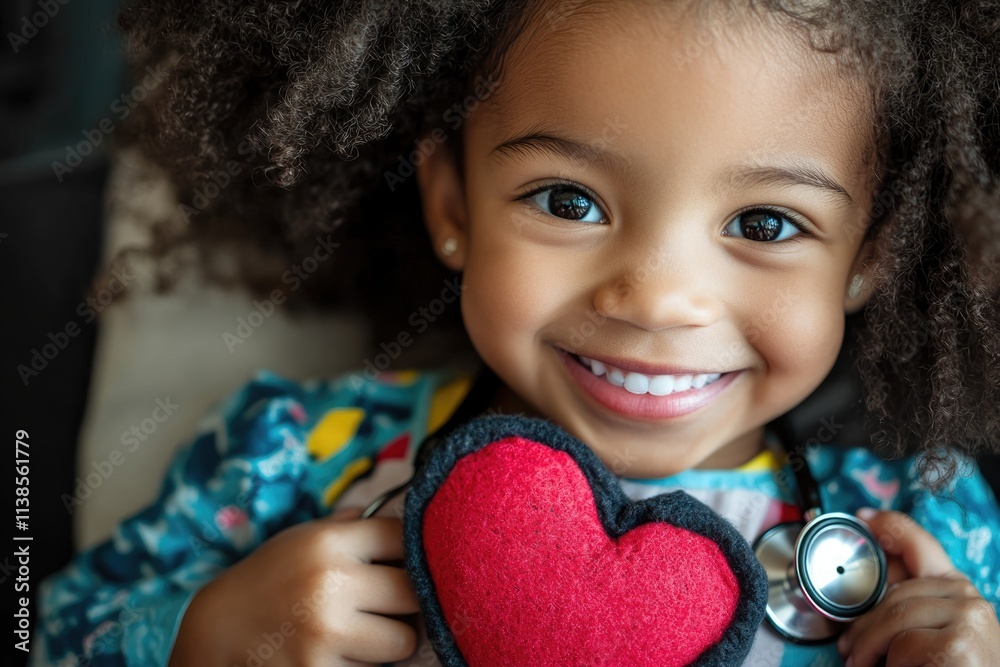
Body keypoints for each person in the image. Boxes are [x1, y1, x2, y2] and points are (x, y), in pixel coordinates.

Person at [34, 1, 1000, 666]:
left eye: (764, 225)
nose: (657, 300)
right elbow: (62, 634)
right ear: (452, 200)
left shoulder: (924, 530)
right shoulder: (295, 454)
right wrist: (199, 638)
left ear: (869, 252)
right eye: (568, 200)